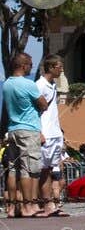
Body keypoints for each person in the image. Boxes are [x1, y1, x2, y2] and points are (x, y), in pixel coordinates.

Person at [3, 52, 47, 219]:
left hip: (13, 129)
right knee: (29, 169)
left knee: (13, 170)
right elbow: (43, 104)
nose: (31, 67)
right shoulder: (28, 84)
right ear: (22, 66)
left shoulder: (6, 84)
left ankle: (12, 208)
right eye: (29, 64)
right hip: (28, 130)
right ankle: (28, 207)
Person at [34, 54, 66, 218]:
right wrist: (39, 132)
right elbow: (34, 111)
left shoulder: (52, 85)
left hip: (55, 133)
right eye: (60, 67)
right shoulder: (39, 85)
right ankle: (46, 204)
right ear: (52, 67)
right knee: (43, 170)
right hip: (45, 133)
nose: (62, 70)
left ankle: (50, 204)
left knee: (50, 170)